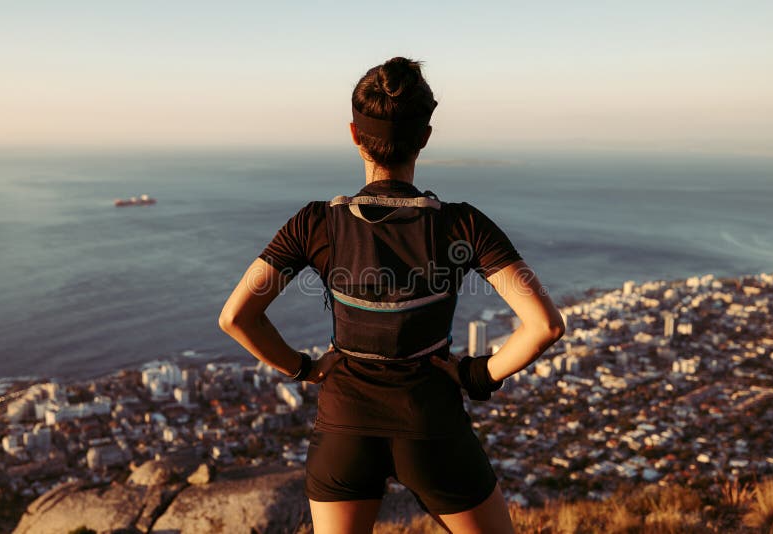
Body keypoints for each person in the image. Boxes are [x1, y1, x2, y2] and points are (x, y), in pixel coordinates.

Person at [219, 56, 566, 534]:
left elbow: (236, 317)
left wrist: (302, 368)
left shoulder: (316, 223)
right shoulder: (461, 224)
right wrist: (476, 373)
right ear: (424, 137)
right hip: (432, 426)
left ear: (354, 135)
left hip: (344, 426)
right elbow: (545, 325)